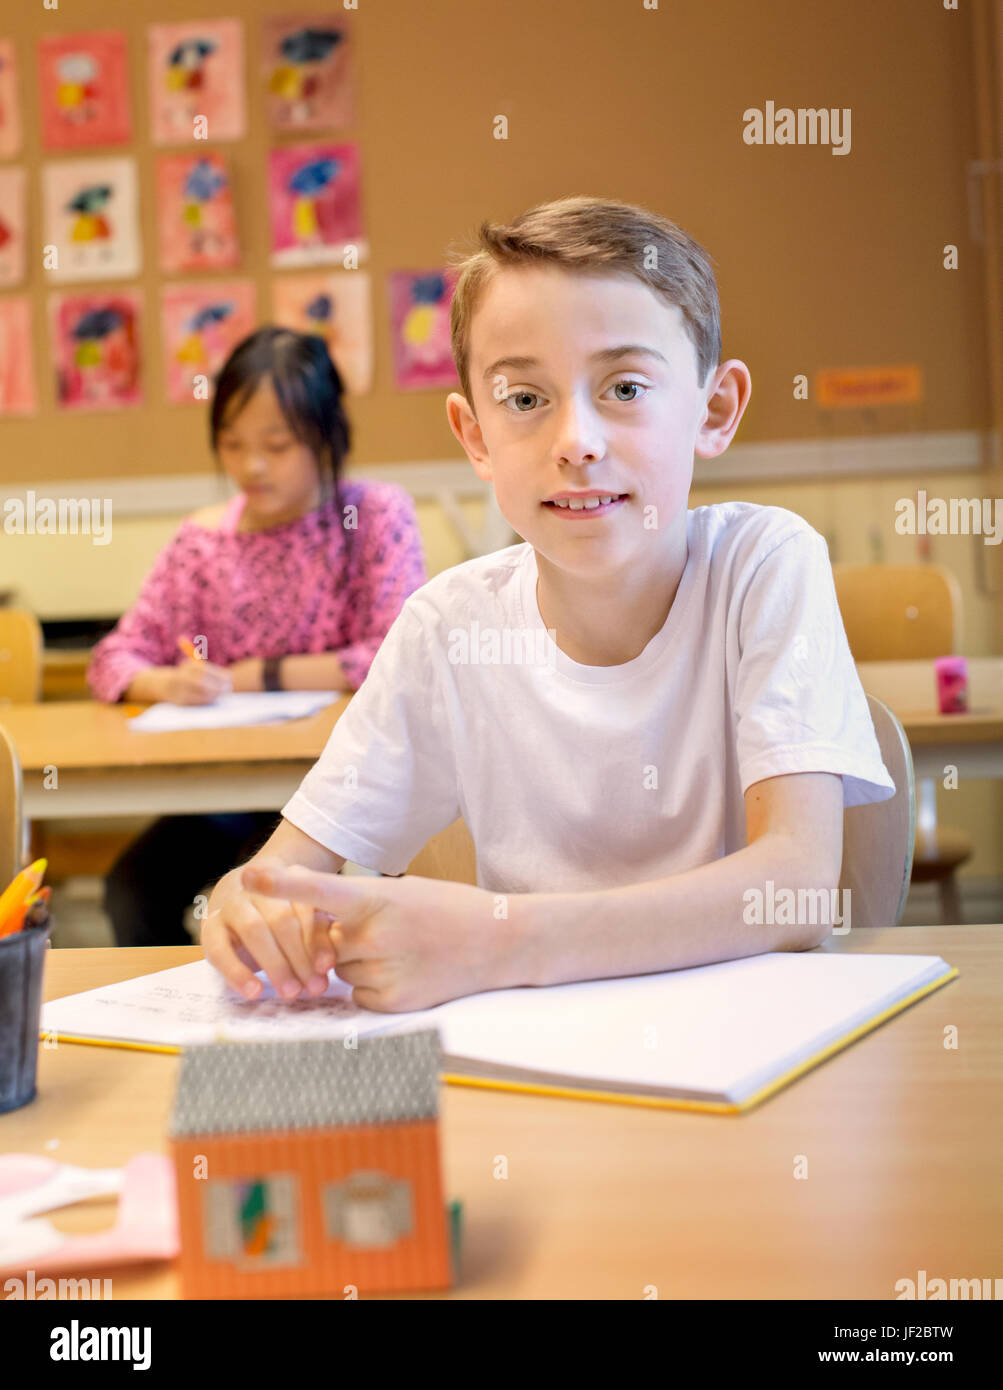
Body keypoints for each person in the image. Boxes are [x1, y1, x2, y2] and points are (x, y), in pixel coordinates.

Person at [200, 196, 895, 1011]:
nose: (576, 442)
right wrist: (248, 908)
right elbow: (283, 876)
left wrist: (499, 939)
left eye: (625, 387)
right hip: (531, 1066)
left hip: (753, 1039)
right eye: (525, 400)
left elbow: (799, 882)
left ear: (714, 411)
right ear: (474, 437)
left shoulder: (763, 564)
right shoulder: (448, 626)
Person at [87, 326, 427, 947]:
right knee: (134, 889)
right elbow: (114, 657)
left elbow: (393, 655)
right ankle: (177, 1026)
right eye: (232, 443)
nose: (251, 466)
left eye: (277, 443)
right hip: (226, 787)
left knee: (268, 895)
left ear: (327, 435)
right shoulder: (202, 540)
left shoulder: (374, 517)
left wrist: (254, 676)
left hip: (338, 786)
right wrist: (166, 680)